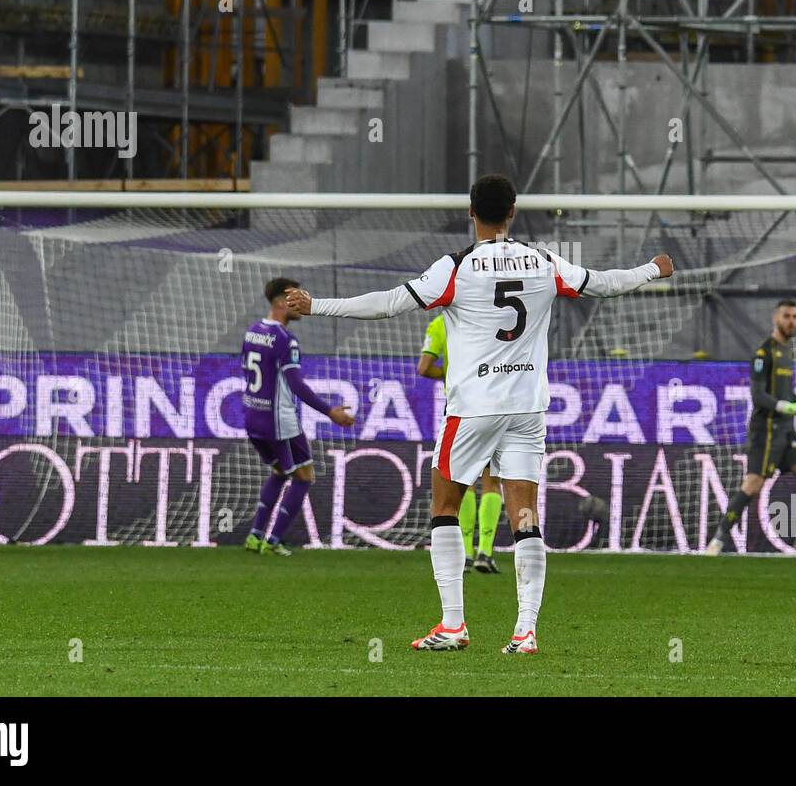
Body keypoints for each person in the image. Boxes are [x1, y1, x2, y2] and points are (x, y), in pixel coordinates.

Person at [287, 174, 673, 653]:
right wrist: (653, 269)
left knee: (446, 505)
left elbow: (388, 305)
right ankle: (525, 631)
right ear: (512, 211)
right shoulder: (543, 261)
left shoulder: (456, 267)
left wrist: (317, 304)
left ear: (472, 212)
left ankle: (454, 625)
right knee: (526, 514)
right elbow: (604, 284)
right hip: (527, 407)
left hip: (473, 408)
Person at [705, 300, 796, 557]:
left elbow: (786, 393)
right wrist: (787, 407)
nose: (792, 321)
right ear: (776, 318)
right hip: (767, 431)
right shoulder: (765, 353)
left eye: (795, 316)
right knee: (752, 485)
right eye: (787, 316)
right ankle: (718, 539)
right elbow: (759, 396)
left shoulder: (787, 351)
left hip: (786, 430)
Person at [241, 277, 355, 556]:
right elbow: (296, 385)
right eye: (296, 298)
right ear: (281, 302)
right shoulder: (284, 339)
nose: (301, 304)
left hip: (252, 417)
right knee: (304, 476)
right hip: (280, 422)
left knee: (280, 471)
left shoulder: (253, 331)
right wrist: (331, 412)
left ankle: (255, 536)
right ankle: (273, 540)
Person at [418, 312, 503, 574]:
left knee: (462, 481)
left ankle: (465, 553)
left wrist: (450, 372)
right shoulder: (489, 318)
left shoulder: (439, 323)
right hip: (493, 402)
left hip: (458, 408)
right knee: (492, 480)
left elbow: (424, 367)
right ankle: (485, 553)